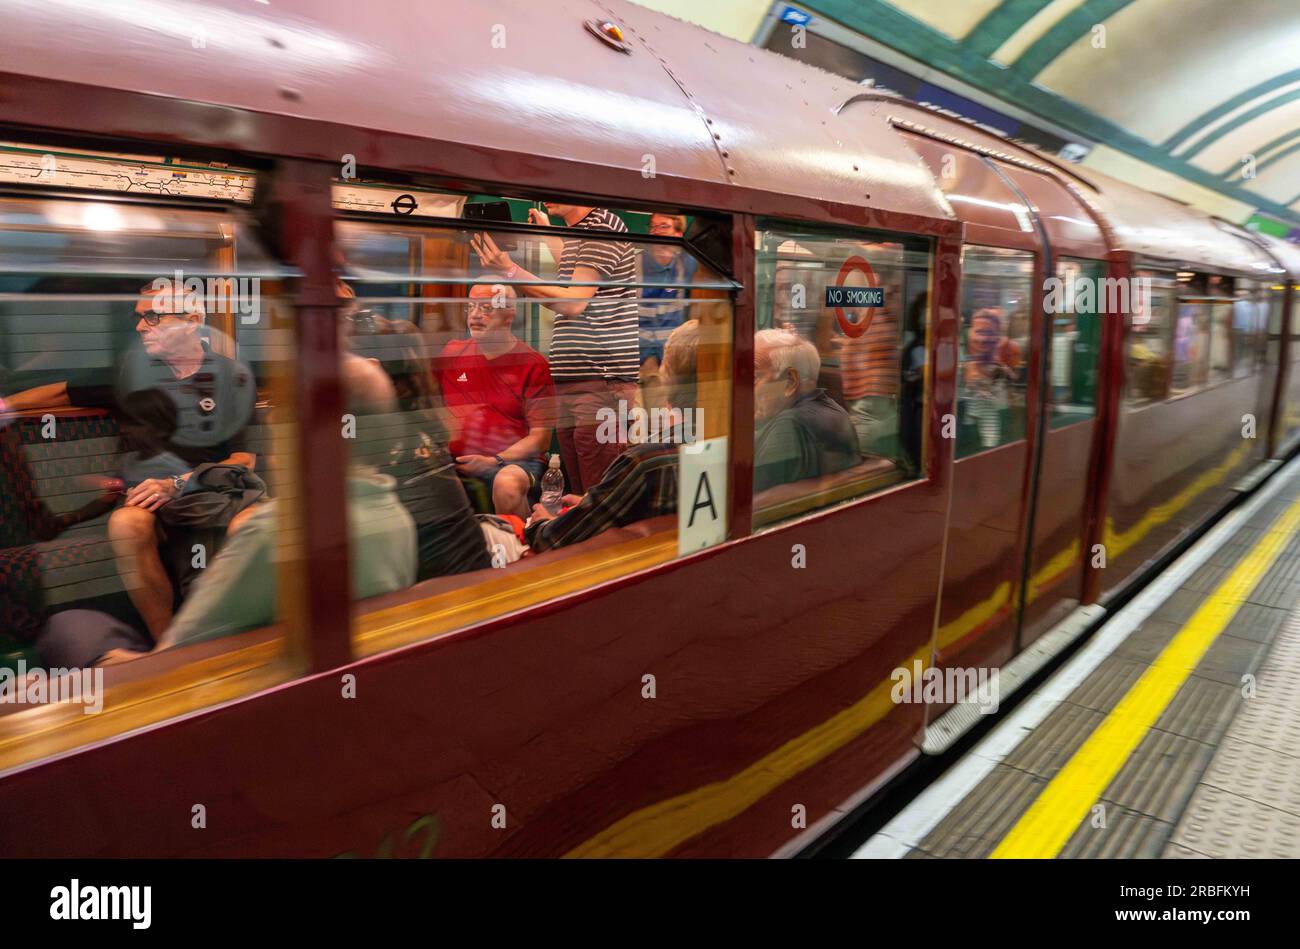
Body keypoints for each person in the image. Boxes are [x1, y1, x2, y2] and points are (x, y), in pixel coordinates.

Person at [52, 353, 420, 665]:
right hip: (309, 673)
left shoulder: (269, 534)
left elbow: (183, 658)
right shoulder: (396, 518)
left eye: (282, 420)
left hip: (227, 689)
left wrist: (114, 665)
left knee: (70, 627)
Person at [3, 282, 258, 638]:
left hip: (210, 488)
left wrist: (179, 485)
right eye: (139, 317)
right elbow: (64, 391)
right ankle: (167, 644)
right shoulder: (131, 373)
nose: (140, 327)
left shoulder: (231, 375)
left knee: (252, 524)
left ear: (193, 320)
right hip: (148, 494)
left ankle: (241, 634)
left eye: (152, 317)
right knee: (126, 524)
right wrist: (7, 405)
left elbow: (243, 459)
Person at [471, 203, 638, 494]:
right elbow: (575, 276)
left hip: (601, 379)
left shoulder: (602, 226)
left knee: (598, 489)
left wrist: (510, 271)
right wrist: (546, 234)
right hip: (573, 381)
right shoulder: (579, 233)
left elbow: (572, 302)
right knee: (577, 490)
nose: (547, 195)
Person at [527, 319, 701, 553]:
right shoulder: (735, 440)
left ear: (666, 375)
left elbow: (554, 540)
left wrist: (540, 524)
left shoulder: (646, 461)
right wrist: (594, 506)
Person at [434, 283, 556, 517]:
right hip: (455, 461)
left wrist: (494, 460)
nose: (475, 315)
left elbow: (540, 439)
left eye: (487, 308)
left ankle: (521, 550)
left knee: (507, 485)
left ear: (509, 314)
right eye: (471, 307)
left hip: (513, 462)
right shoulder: (452, 352)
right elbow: (422, 397)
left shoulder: (533, 364)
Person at [752, 328, 859, 494]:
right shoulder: (836, 411)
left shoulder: (788, 425)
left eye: (753, 377)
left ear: (789, 382)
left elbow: (749, 501)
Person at [639, 213, 697, 387]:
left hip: (673, 358)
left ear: (678, 234)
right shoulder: (635, 263)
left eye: (663, 226)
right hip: (638, 356)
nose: (656, 231)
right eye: (653, 226)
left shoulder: (687, 264)